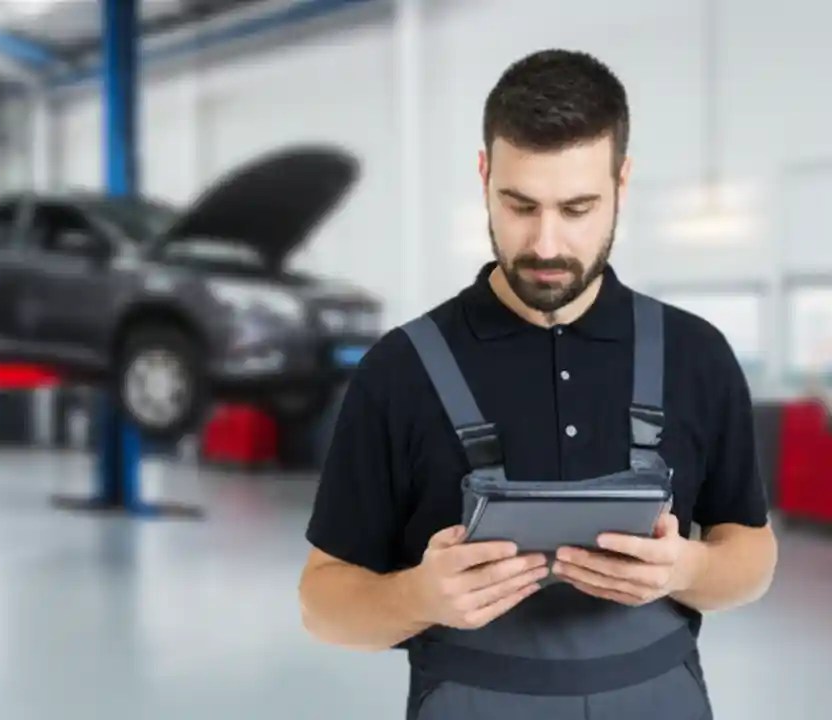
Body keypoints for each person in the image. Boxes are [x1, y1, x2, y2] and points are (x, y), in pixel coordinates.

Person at [298, 49, 777, 719]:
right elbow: (323, 601)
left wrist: (688, 570)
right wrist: (417, 599)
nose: (546, 244)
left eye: (578, 208)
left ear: (623, 182)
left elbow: (753, 554)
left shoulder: (696, 354)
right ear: (484, 174)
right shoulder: (400, 370)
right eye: (520, 205)